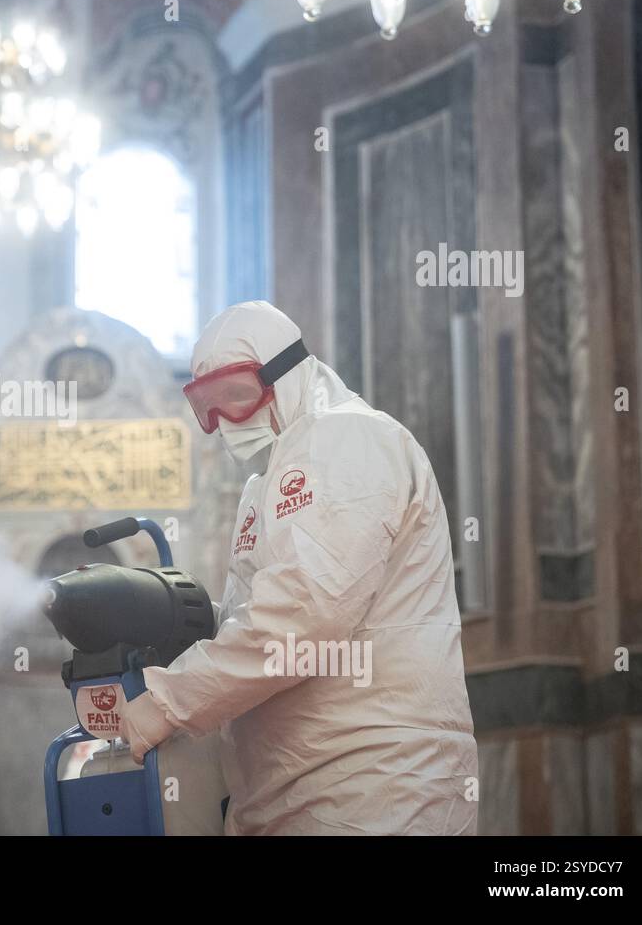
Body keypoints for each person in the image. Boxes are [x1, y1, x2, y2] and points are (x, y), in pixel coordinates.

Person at [119, 301, 478, 834]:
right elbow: (262, 616)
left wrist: (170, 700)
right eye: (207, 407)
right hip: (288, 790)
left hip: (371, 781)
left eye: (237, 397)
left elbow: (305, 616)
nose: (224, 423)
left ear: (288, 373)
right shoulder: (264, 485)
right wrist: (184, 616)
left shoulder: (347, 438)